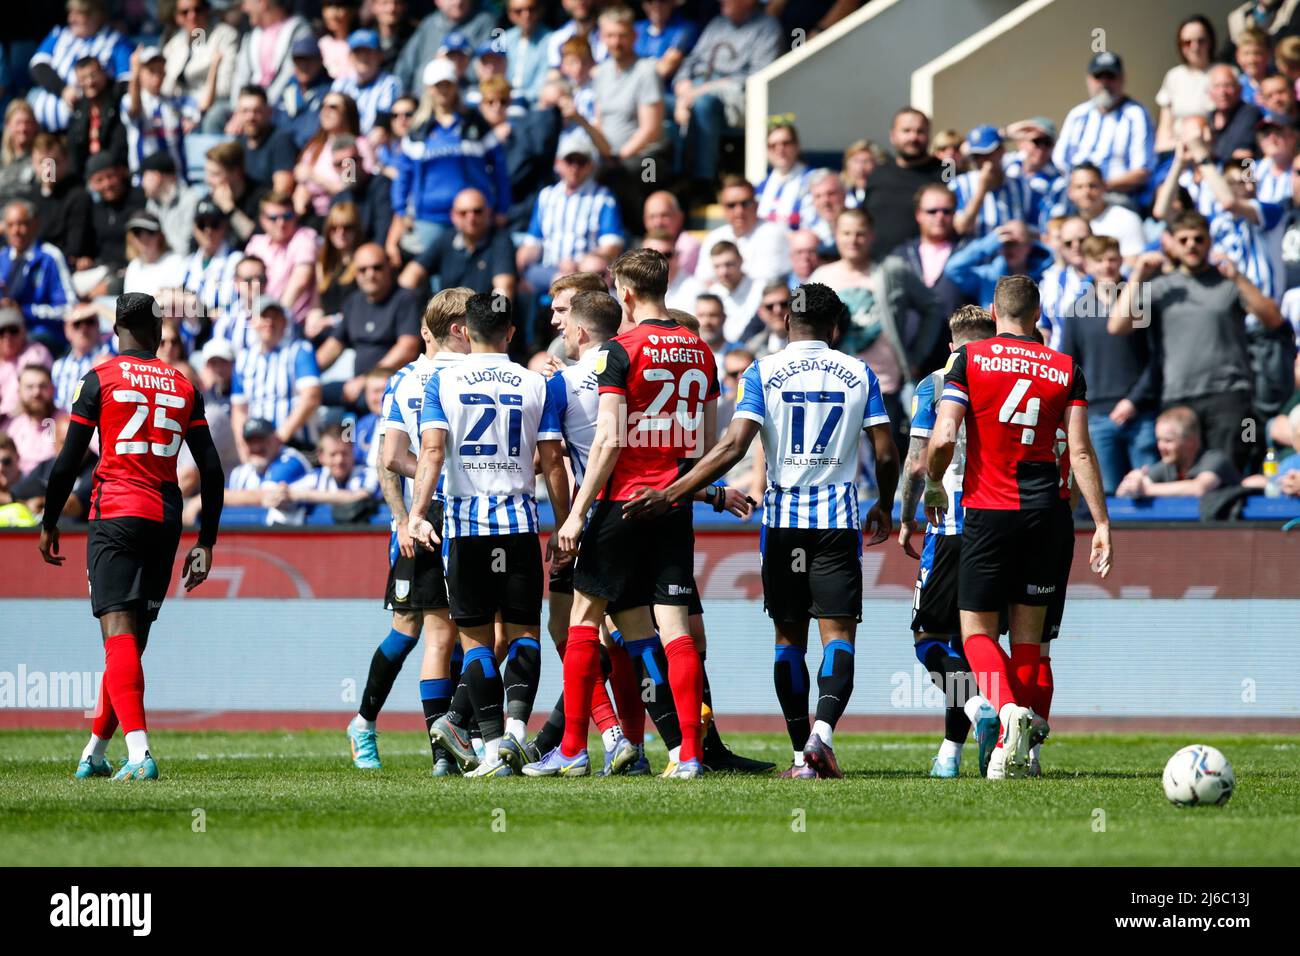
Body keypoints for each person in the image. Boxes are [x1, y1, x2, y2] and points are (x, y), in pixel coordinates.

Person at [623, 281, 898, 778]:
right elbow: (884, 449)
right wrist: (883, 502)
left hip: (783, 523)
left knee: (788, 639)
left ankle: (800, 756)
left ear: (787, 324)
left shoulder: (762, 371)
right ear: (835, 328)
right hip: (837, 520)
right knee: (838, 634)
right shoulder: (859, 372)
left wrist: (673, 491)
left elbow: (731, 447)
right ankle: (823, 735)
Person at [526, 248, 717, 780]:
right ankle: (689, 754)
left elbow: (608, 441)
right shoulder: (699, 349)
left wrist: (575, 515)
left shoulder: (619, 351)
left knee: (582, 623)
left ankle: (572, 749)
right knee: (670, 629)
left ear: (625, 294)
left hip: (622, 502)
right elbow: (699, 442)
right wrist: (689, 489)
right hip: (673, 504)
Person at [925, 275, 1112, 779]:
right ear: (1039, 311)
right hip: (1048, 514)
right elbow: (1079, 450)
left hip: (990, 510)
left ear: (994, 309)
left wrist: (935, 483)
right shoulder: (1065, 366)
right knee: (1031, 643)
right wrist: (1101, 522)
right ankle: (1027, 757)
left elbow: (945, 434)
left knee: (976, 632)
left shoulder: (971, 358)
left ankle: (1007, 714)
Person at [38, 292, 224, 782]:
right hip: (165, 517)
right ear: (158, 331)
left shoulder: (99, 379)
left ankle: (139, 754)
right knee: (130, 645)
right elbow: (211, 468)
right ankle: (95, 752)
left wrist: (49, 520)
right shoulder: (184, 386)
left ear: (116, 329)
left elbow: (68, 460)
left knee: (118, 636)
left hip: (116, 511)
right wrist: (206, 541)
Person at [408, 292, 571, 778]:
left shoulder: (442, 380)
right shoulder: (535, 382)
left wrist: (417, 513)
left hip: (465, 526)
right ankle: (517, 738)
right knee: (523, 632)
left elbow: (432, 453)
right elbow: (553, 461)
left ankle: (492, 747)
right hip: (519, 524)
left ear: (464, 330)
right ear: (512, 333)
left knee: (477, 641)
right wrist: (565, 524)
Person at [354, 286, 471, 773]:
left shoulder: (474, 373)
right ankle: (365, 723)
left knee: (460, 631)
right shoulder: (406, 380)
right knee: (412, 630)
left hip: (464, 516)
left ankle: (452, 741)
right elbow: (389, 458)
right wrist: (404, 518)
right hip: (426, 519)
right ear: (459, 329)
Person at [897, 305, 1000, 779]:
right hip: (999, 522)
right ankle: (950, 754)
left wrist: (905, 516)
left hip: (951, 525)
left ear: (951, 345)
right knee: (973, 641)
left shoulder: (936, 384)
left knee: (929, 639)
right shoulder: (1006, 372)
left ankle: (980, 706)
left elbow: (919, 458)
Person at [1112, 211, 1284, 473]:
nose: (1191, 245)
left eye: (1198, 238)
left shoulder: (1228, 282)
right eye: (1183, 240)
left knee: (1226, 474)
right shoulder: (1162, 286)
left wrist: (1238, 277)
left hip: (1228, 395)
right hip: (1177, 396)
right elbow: (1118, 325)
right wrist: (1138, 276)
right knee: (1180, 475)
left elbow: (1272, 319)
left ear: (1209, 242)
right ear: (1172, 244)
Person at [810, 207, 944, 445]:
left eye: (860, 233)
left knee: (886, 465)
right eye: (846, 233)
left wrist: (917, 355)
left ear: (872, 235)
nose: (853, 240)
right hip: (832, 388)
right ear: (836, 234)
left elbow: (932, 307)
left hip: (885, 387)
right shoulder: (821, 276)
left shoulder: (891, 270)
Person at [1059, 235, 1159, 494]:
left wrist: (1134, 401)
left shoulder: (1140, 302)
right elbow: (1071, 366)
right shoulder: (1076, 311)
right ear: (1088, 265)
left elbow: (1156, 358)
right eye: (1099, 260)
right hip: (1098, 416)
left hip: (1141, 413)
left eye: (1112, 259)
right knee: (1106, 492)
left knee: (1148, 489)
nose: (1107, 266)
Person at [387, 58, 511, 261]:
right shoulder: (417, 132)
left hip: (473, 216)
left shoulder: (475, 123)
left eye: (448, 84)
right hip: (430, 218)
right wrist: (401, 211)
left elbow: (499, 167)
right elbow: (403, 176)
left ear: (456, 86)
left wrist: (502, 208)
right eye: (438, 85)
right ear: (429, 89)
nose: (443, 90)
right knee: (435, 284)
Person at [674, 0, 784, 198]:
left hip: (737, 100)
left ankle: (703, 181)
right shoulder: (718, 23)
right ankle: (673, 178)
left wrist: (697, 93)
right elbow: (691, 60)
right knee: (660, 106)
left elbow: (755, 78)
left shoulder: (768, 28)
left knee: (703, 104)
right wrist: (683, 86)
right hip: (696, 89)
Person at [516, 130, 625, 294]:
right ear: (558, 163)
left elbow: (612, 246)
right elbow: (534, 241)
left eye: (581, 161)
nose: (574, 167)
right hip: (549, 270)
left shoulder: (603, 197)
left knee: (590, 271)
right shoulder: (546, 195)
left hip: (585, 271)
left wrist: (578, 263)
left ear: (590, 166)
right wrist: (524, 255)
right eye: (569, 160)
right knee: (521, 268)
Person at [316, 243, 423, 408]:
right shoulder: (353, 302)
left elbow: (407, 348)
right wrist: (304, 375)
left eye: (377, 268)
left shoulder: (406, 299)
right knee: (309, 394)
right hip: (357, 386)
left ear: (389, 266)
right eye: (363, 270)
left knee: (354, 410)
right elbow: (333, 346)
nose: (370, 274)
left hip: (392, 386)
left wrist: (367, 379)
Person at [590, 5, 668, 226]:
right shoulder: (601, 73)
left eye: (622, 35)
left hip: (650, 157)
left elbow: (650, 130)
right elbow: (599, 121)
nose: (616, 42)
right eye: (610, 35)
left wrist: (618, 157)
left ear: (634, 36)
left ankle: (641, 234)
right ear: (601, 37)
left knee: (636, 175)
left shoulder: (646, 70)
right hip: (611, 156)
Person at [1053, 52, 1154, 203]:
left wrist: (1098, 187)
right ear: (1089, 80)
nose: (1104, 83)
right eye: (1098, 77)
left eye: (1110, 77)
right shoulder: (1078, 114)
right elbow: (1060, 160)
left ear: (1122, 79)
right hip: (1074, 196)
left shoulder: (1136, 115)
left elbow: (1142, 172)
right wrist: (1082, 189)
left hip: (1115, 197)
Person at [229, 296, 323, 451]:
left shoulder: (300, 351)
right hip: (257, 448)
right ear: (253, 322)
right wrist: (244, 448)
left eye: (275, 317)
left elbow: (311, 398)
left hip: (296, 446)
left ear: (284, 322)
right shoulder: (243, 360)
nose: (269, 322)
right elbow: (239, 410)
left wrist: (279, 438)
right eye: (264, 316)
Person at [26, 0, 133, 133]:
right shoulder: (60, 34)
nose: (71, 19)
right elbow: (38, 65)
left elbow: (125, 81)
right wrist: (63, 90)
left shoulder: (116, 42)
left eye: (79, 14)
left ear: (96, 15)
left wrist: (88, 97)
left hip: (85, 129)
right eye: (71, 13)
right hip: (43, 129)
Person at [399, 188, 515, 298]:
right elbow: (411, 274)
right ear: (453, 216)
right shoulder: (447, 239)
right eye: (463, 213)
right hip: (450, 315)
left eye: (477, 211)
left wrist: (497, 317)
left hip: (484, 316)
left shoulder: (500, 241)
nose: (471, 218)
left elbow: (504, 289)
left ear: (488, 212)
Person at [891, 182, 969, 346]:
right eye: (932, 211)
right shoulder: (900, 255)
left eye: (946, 211)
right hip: (910, 358)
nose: (939, 216)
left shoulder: (969, 252)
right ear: (918, 214)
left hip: (955, 355)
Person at [864, 108, 946, 259]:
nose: (913, 137)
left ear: (929, 135)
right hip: (879, 266)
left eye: (920, 131)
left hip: (928, 268)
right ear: (892, 136)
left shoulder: (947, 172)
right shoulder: (877, 174)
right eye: (906, 131)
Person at [1116, 406, 1242, 499]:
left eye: (1168, 440)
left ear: (1191, 441)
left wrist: (1146, 489)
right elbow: (1121, 494)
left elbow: (1199, 488)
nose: (1161, 446)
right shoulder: (1168, 465)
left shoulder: (1215, 460)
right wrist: (1133, 482)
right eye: (1159, 439)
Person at [0, 199, 76, 350]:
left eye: (22, 224)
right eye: (10, 225)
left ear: (34, 225)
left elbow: (69, 308)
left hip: (43, 334)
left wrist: (25, 311)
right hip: (6, 332)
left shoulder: (50, 256)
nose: (16, 231)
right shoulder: (2, 257)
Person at [293, 93, 377, 220]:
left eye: (333, 107)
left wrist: (314, 177)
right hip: (311, 214)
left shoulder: (357, 146)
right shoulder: (315, 146)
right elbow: (302, 182)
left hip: (341, 217)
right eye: (323, 106)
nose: (325, 111)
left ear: (347, 112)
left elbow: (349, 188)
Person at [228, 0, 315, 122]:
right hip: (249, 106)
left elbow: (289, 74)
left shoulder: (299, 31)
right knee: (217, 117)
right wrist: (240, 110)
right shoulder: (250, 37)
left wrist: (259, 108)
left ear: (263, 3)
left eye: (247, 2)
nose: (244, 8)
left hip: (279, 108)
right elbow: (241, 76)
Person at [217, 415, 312, 525]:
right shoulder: (240, 473)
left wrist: (206, 499)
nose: (256, 446)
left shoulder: (291, 460)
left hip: (295, 535)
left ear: (276, 439)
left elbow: (269, 496)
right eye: (250, 441)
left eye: (262, 440)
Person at [696, 176, 791, 286]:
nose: (739, 211)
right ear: (723, 208)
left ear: (756, 205)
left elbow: (765, 283)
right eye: (731, 205)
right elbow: (703, 281)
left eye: (745, 203)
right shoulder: (713, 237)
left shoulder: (773, 233)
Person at [244, 192, 320, 324]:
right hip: (257, 321)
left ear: (295, 216)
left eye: (287, 216)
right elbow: (244, 284)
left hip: (290, 323)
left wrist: (275, 318)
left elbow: (301, 281)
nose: (281, 223)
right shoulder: (256, 244)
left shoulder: (304, 238)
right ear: (262, 220)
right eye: (273, 218)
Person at [393, 0, 498, 95]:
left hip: (463, 101)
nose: (458, 2)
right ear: (438, 2)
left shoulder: (484, 22)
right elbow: (405, 67)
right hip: (421, 102)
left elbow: (487, 69)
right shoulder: (429, 24)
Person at [163, 0, 239, 127]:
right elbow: (165, 88)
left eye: (197, 10)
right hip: (178, 110)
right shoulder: (175, 44)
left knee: (213, 117)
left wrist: (192, 111)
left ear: (207, 11)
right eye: (185, 12)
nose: (192, 16)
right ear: (177, 17)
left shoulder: (224, 35)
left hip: (210, 108)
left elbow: (224, 88)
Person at [122, 45, 193, 180]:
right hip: (143, 181)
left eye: (160, 71)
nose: (157, 76)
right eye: (151, 71)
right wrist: (134, 73)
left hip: (176, 179)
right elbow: (134, 110)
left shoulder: (175, 101)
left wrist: (214, 66)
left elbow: (201, 107)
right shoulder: (128, 100)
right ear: (141, 73)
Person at [951, 125, 1034, 239]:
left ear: (1001, 151)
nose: (981, 161)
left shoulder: (1021, 186)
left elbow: (1034, 228)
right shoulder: (961, 184)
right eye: (976, 156)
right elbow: (961, 227)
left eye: (987, 154)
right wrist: (981, 190)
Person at [1155, 15, 1216, 154]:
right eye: (1187, 42)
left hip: (1210, 150)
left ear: (1210, 42)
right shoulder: (1173, 76)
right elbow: (1165, 127)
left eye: (1201, 41)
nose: (1195, 47)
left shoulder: (1224, 73)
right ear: (1180, 46)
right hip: (1176, 150)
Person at [65, 56, 128, 180]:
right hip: (88, 178)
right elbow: (74, 151)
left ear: (103, 74)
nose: (90, 82)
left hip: (117, 176)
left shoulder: (119, 100)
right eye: (83, 78)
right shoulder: (79, 111)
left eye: (93, 75)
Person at [181, 199, 243, 322]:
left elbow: (247, 305)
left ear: (224, 227)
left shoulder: (237, 261)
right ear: (194, 228)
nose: (208, 231)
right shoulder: (186, 263)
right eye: (201, 225)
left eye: (214, 224)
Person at [331, 30, 403, 135]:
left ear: (380, 55)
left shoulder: (390, 83)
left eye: (368, 51)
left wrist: (361, 148)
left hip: (374, 148)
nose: (363, 57)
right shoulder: (340, 84)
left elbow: (381, 130)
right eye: (358, 52)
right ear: (350, 56)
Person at [1037, 215, 1092, 348]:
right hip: (1061, 362)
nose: (1076, 246)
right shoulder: (1051, 281)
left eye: (1082, 240)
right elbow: (1045, 327)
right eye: (1068, 243)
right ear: (1061, 246)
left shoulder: (1114, 279)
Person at [232, 86, 299, 196]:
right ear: (237, 114)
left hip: (267, 209)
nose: (250, 117)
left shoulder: (281, 140)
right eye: (245, 111)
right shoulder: (238, 143)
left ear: (269, 112)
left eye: (257, 111)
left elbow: (282, 192)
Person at [1003, 116, 1066, 231]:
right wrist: (1007, 132)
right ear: (1020, 143)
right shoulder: (1007, 164)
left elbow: (1054, 224)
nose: (1041, 149)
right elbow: (970, 152)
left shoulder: (1058, 181)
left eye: (1047, 143)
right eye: (1037, 141)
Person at [328, 135, 393, 244]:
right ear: (334, 168)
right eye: (340, 164)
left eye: (351, 161)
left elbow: (383, 234)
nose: (347, 169)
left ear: (361, 160)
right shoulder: (338, 200)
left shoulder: (381, 185)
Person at [2, 364, 65, 474]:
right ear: (18, 392)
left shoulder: (66, 424)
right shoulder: (11, 426)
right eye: (29, 387)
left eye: (43, 386)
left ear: (53, 389)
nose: (36, 392)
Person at [52, 304, 114, 412]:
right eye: (77, 323)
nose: (83, 328)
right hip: (66, 424)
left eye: (89, 321)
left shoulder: (110, 349)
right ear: (67, 330)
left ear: (98, 325)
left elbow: (128, 330)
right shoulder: (58, 366)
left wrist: (98, 308)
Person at [142, 152, 204, 259]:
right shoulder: (152, 203)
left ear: (157, 177)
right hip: (160, 262)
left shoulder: (190, 200)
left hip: (184, 264)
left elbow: (184, 248)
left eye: (144, 176)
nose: (142, 183)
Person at [204, 140, 265, 246]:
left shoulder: (260, 197)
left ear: (236, 173)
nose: (208, 180)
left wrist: (230, 209)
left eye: (215, 174)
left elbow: (257, 240)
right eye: (207, 173)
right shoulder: (208, 201)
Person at [756, 121, 812, 231]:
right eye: (773, 145)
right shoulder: (760, 188)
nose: (780, 149)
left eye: (785, 143)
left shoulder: (814, 181)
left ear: (797, 146)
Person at [0, 306, 53, 418]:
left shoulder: (35, 353)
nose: (7, 337)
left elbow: (32, 399)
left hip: (24, 420)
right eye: (2, 332)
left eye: (13, 330)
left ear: (24, 331)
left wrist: (5, 421)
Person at [705, 240, 763, 342]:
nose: (724, 272)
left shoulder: (760, 289)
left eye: (729, 264)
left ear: (741, 260)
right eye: (717, 266)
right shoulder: (713, 293)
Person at [1208, 63, 1265, 163]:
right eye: (1217, 86)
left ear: (1239, 89)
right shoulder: (1208, 117)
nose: (1222, 92)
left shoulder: (1250, 114)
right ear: (1210, 92)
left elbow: (1242, 154)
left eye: (1227, 85)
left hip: (1243, 173)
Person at [499, 0, 552, 105]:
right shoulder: (504, 39)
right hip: (502, 103)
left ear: (540, 10)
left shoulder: (551, 40)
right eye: (518, 11)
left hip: (535, 106)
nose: (526, 15)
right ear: (510, 14)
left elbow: (543, 82)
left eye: (531, 9)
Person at [122, 212, 185, 299]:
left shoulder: (176, 262)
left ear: (160, 236)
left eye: (149, 232)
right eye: (137, 232)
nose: (144, 238)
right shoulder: (133, 266)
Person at [635, 0, 700, 83]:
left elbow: (663, 70)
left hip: (665, 92)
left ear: (673, 3)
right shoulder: (635, 28)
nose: (656, 6)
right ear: (643, 4)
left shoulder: (685, 29)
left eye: (663, 1)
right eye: (650, 1)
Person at [644, 190, 700, 276]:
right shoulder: (642, 245)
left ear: (680, 217)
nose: (658, 223)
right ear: (644, 220)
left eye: (664, 215)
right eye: (652, 217)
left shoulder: (689, 246)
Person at [0, 102, 39, 207]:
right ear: (8, 126)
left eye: (27, 123)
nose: (23, 129)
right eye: (18, 123)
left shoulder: (48, 159)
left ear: (35, 125)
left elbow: (52, 196)